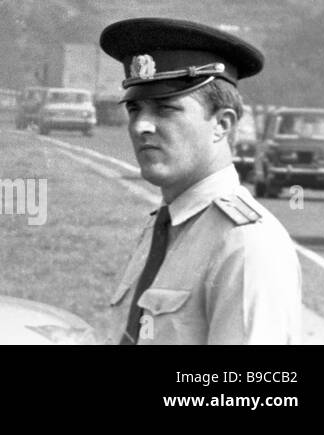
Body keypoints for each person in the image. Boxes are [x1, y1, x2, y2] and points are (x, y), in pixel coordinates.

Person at [100, 17, 302, 345]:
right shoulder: (165, 226)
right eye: (135, 109)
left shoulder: (245, 244)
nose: (141, 127)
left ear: (221, 124)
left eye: (165, 109)